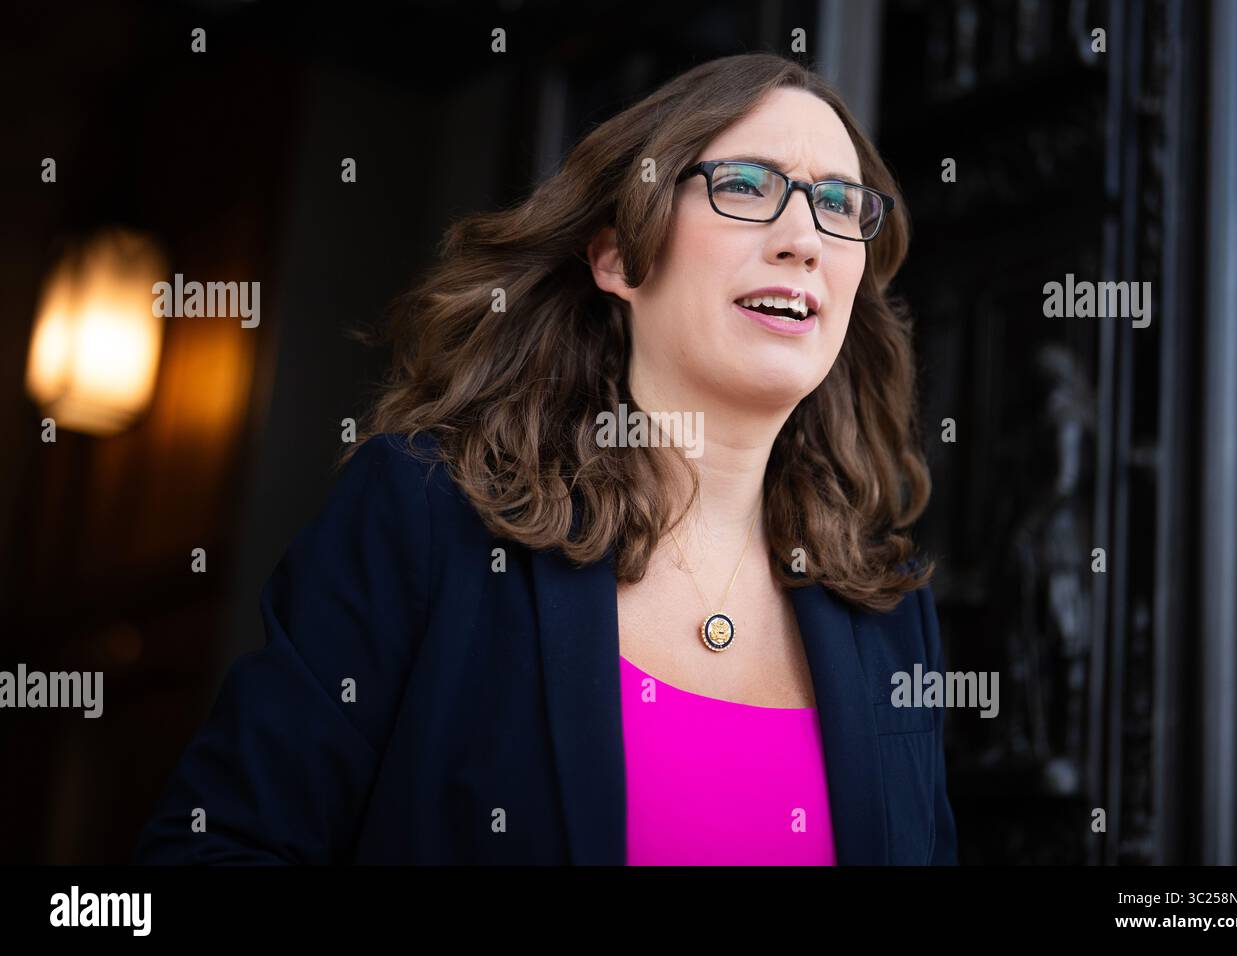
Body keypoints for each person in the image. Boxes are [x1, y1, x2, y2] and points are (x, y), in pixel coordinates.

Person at [134, 51, 958, 865]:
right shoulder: (426, 521)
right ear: (616, 256)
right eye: (745, 185)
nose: (804, 239)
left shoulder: (888, 616)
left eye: (841, 205)